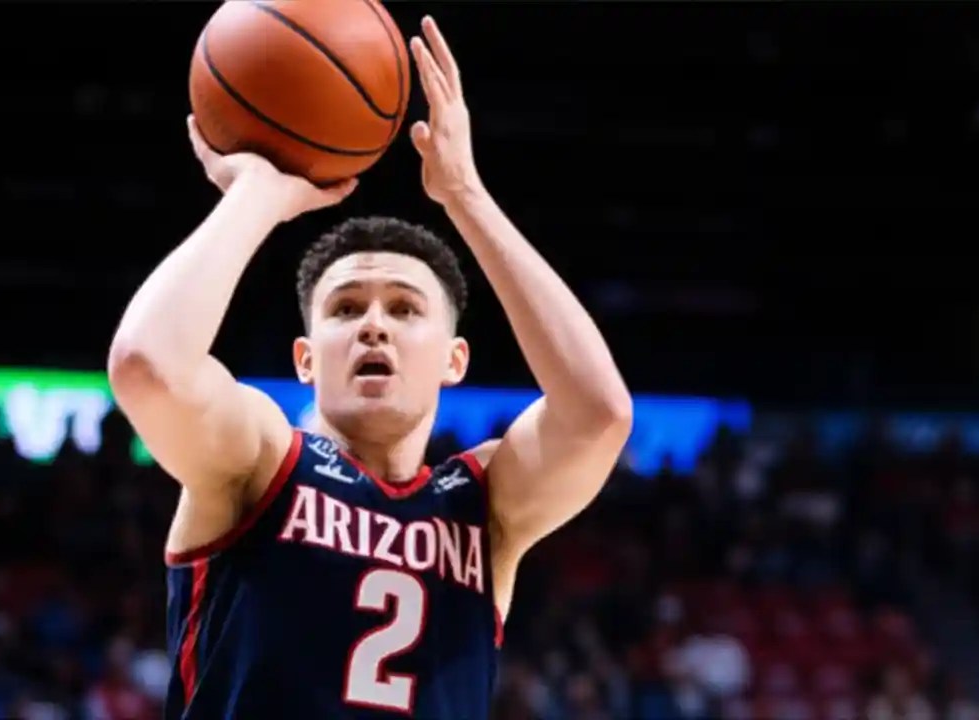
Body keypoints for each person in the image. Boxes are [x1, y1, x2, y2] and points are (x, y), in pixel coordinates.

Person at [107, 16, 632, 719]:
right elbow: (147, 365)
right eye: (346, 308)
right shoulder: (259, 462)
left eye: (406, 309)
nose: (374, 323)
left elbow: (599, 413)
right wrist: (258, 193)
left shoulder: (484, 508)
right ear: (304, 357)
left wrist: (467, 197)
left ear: (454, 360)